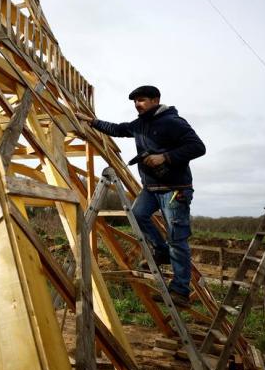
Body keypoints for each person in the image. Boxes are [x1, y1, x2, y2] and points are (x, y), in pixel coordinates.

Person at [75, 85, 205, 308]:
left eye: (142, 100)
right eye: (135, 101)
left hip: (175, 189)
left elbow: (198, 147)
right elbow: (118, 129)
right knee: (137, 214)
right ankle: (161, 251)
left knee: (177, 239)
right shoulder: (140, 124)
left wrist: (165, 157)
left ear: (155, 100)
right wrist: (92, 121)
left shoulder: (173, 122)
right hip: (151, 188)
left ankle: (180, 291)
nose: (137, 104)